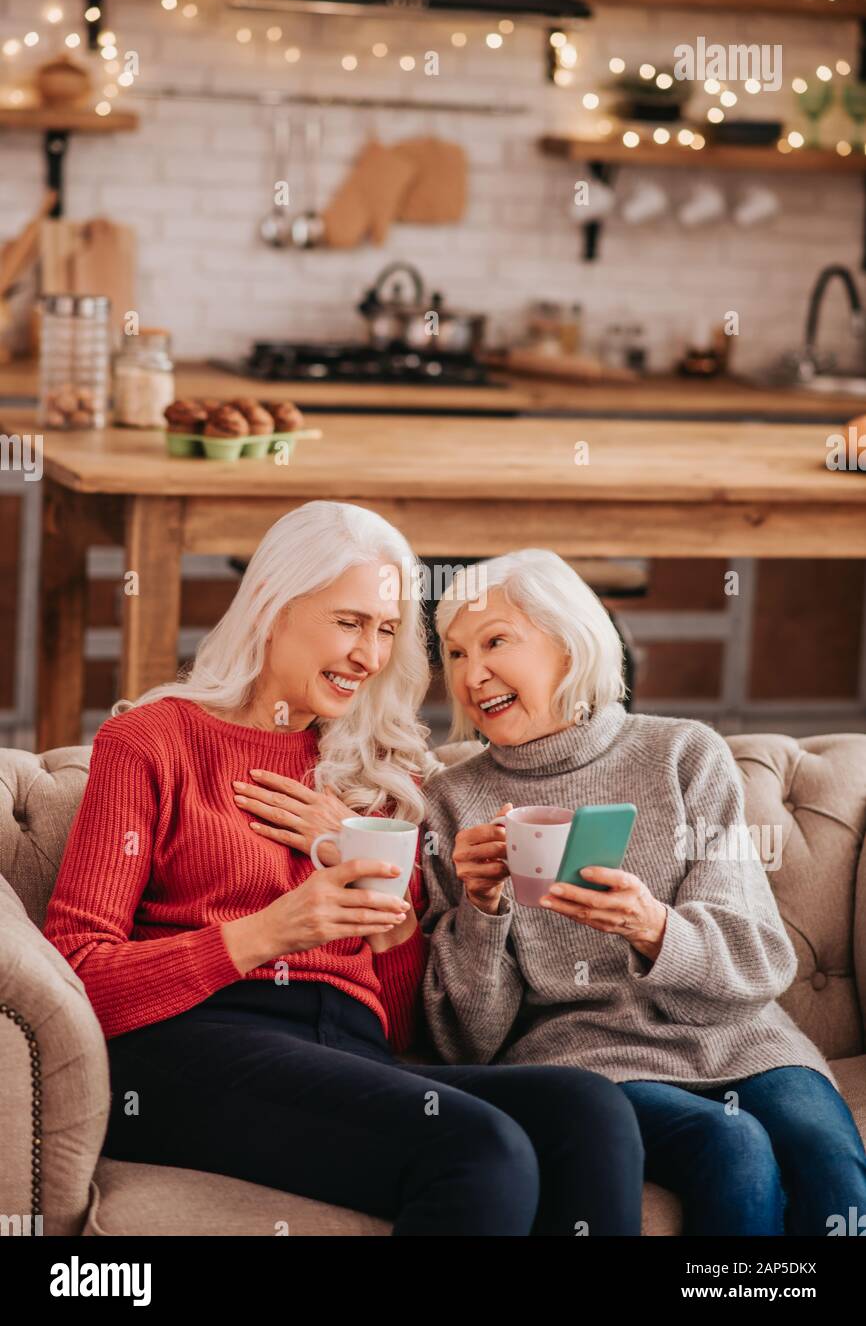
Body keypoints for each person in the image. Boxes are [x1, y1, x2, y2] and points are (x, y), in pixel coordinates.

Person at [43, 503, 643, 1237]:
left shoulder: (375, 778)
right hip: (186, 1048)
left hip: (343, 1050)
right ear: (273, 607)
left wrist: (388, 920)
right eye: (349, 621)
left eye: (387, 629)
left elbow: (391, 1027)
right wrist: (266, 934)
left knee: (589, 1110)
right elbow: (76, 978)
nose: (370, 654)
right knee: (480, 1151)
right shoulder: (150, 741)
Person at [420, 548, 866, 1236]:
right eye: (454, 654)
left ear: (569, 643)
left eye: (495, 641)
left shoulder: (685, 754)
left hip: (746, 1041)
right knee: (734, 1147)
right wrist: (481, 912)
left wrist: (654, 928)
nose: (472, 674)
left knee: (831, 1165)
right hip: (589, 1060)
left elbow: (759, 961)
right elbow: (466, 1044)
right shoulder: (452, 802)